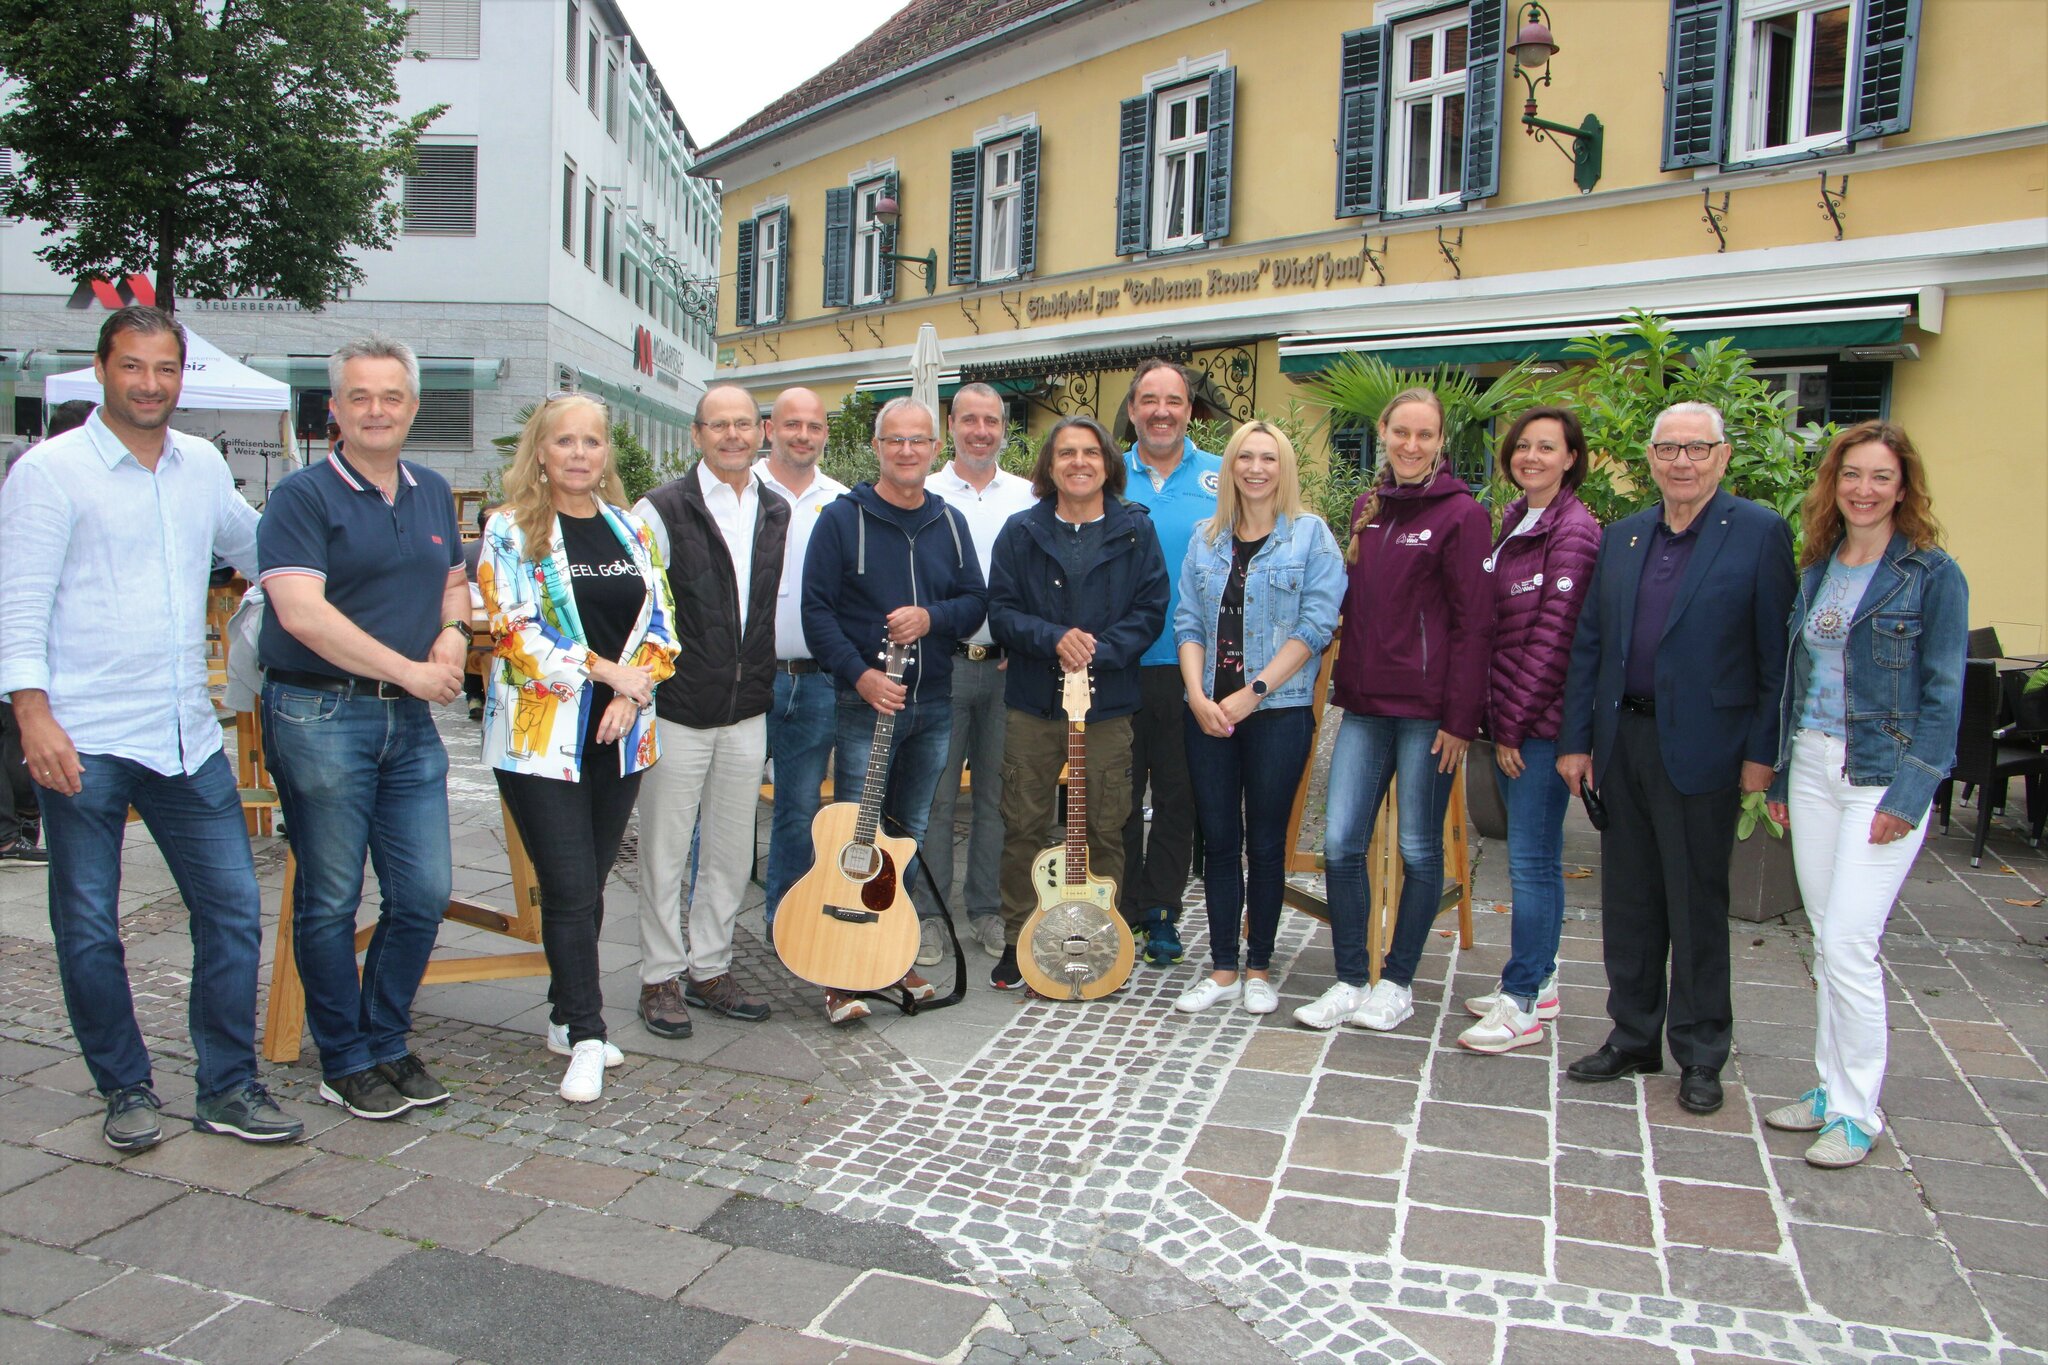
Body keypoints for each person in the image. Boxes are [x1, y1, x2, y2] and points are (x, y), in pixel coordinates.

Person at [0, 306, 302, 1149]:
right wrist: (33, 715)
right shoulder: (49, 471)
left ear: (181, 375)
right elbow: (17, 603)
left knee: (234, 910)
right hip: (85, 736)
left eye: (165, 369)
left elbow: (264, 549)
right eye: (132, 366)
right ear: (102, 368)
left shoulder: (200, 465)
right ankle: (125, 1085)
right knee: (89, 922)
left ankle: (228, 1084)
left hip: (185, 736)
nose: (149, 384)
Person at [1557, 401, 1797, 1115]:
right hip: (1623, 743)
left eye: (1697, 448)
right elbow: (1591, 645)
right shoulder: (1624, 537)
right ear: (1652, 458)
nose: (1682, 461)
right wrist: (1577, 739)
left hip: (1705, 748)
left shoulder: (1758, 534)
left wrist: (1763, 754)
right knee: (1629, 899)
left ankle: (1699, 1051)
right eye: (1669, 448)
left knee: (1695, 904)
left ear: (1723, 456)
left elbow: (1774, 660)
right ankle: (1634, 1034)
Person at [258, 336, 469, 1121]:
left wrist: (452, 635)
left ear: (412, 406)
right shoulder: (302, 497)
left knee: (424, 892)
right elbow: (301, 614)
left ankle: (385, 1037)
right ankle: (342, 1057)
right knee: (331, 898)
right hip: (320, 712)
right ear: (334, 408)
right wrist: (408, 670)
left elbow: (453, 583)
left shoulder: (430, 489)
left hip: (407, 721)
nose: (376, 410)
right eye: (360, 397)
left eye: (392, 396)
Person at [1762, 421, 1966, 1165]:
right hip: (1814, 767)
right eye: (1852, 474)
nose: (1864, 488)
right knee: (1828, 937)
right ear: (1834, 482)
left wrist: (1911, 794)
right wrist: (1784, 773)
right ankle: (1829, 1087)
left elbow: (1945, 695)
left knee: (1850, 940)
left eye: (1881, 476)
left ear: (1903, 486)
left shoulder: (1931, 574)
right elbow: (1800, 682)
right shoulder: (1818, 568)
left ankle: (1856, 1111)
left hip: (1883, 774)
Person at [479, 396, 677, 1103]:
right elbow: (515, 632)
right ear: (540, 451)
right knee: (566, 886)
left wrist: (631, 692)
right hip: (542, 737)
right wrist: (605, 673)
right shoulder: (509, 529)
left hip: (619, 736)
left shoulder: (631, 529)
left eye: (592, 441)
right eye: (564, 441)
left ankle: (566, 1016)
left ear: (605, 455)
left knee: (588, 886)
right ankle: (589, 1034)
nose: (579, 453)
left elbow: (663, 624)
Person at [1295, 388, 1494, 1033]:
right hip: (1365, 703)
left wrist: (1462, 719)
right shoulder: (1367, 507)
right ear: (1382, 432)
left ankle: (1399, 981)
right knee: (1340, 842)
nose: (1411, 445)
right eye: (1401, 432)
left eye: (1425, 435)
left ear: (1442, 441)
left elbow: (1474, 623)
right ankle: (1353, 978)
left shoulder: (1464, 515)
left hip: (1430, 714)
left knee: (1416, 846)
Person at [801, 397, 986, 1024]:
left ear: (936, 449)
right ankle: (835, 969)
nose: (907, 451)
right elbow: (816, 612)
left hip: (932, 705)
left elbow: (975, 600)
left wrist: (933, 617)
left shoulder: (951, 523)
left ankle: (887, 949)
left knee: (903, 837)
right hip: (865, 707)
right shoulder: (841, 519)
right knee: (856, 835)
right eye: (895, 440)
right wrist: (860, 676)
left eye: (919, 441)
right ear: (877, 447)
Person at [984, 416, 1168, 991]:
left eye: (1090, 452)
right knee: (1023, 822)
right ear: (1050, 465)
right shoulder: (1020, 531)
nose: (1079, 463)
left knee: (1107, 824)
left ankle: (1102, 935)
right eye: (1067, 453)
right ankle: (1021, 937)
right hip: (1035, 702)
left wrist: (1099, 650)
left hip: (1108, 704)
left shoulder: (1137, 531)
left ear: (1109, 464)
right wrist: (1053, 640)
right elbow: (1003, 612)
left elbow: (1151, 609)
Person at [631, 384, 786, 1039]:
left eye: (743, 425)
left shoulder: (775, 509)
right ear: (696, 434)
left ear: (761, 433)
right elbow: (640, 612)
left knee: (729, 849)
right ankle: (660, 973)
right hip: (679, 706)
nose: (732, 436)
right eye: (718, 425)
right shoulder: (661, 508)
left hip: (747, 708)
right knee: (665, 848)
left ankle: (711, 966)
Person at [1172, 421, 1343, 1014]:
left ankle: (1260, 967)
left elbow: (1315, 628)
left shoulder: (1310, 537)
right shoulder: (1206, 537)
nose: (1256, 468)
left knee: (1265, 843)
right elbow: (1188, 622)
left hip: (1278, 712)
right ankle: (1222, 969)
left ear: (1284, 467)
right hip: (1209, 711)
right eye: (1245, 456)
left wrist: (1255, 691)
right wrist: (1197, 694)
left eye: (1269, 458)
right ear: (1231, 466)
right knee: (1218, 841)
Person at [1459, 408, 1602, 1053]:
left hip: (1539, 726)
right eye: (1524, 446)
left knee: (1534, 863)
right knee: (1530, 861)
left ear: (1572, 457)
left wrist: (1511, 726)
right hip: (1518, 719)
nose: (1532, 456)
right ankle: (1537, 981)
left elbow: (1553, 640)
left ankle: (1522, 1005)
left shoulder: (1573, 531)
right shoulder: (1518, 518)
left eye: (1548, 447)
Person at [919, 383, 1037, 962]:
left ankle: (988, 910)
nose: (981, 431)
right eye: (969, 420)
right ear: (951, 426)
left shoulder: (1027, 495)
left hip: (1008, 669)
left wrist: (1030, 636)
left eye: (991, 421)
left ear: (1004, 429)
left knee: (998, 798)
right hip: (942, 665)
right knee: (936, 799)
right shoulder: (926, 491)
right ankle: (931, 914)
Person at [1118, 359, 1223, 967]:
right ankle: (1125, 905)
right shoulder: (1104, 474)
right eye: (1149, 400)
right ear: (1132, 410)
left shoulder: (1221, 476)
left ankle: (1163, 912)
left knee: (1180, 796)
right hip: (1118, 666)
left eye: (1174, 400)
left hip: (1194, 671)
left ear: (1190, 410)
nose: (1161, 411)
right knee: (1119, 796)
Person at [756, 388, 849, 937]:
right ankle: (701, 931)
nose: (803, 435)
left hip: (816, 679)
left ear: (826, 435)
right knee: (719, 813)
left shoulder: (840, 502)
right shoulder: (742, 492)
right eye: (793, 425)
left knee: (799, 811)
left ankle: (781, 923)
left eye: (814, 427)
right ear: (770, 429)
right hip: (746, 678)